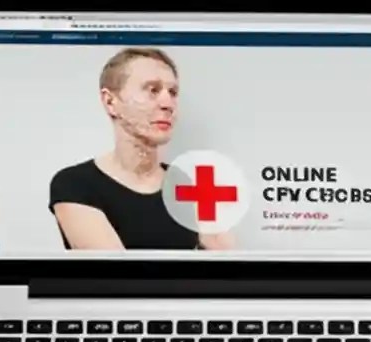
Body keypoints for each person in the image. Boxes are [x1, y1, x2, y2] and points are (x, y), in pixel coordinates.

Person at [48, 47, 234, 251]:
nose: (168, 104)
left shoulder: (187, 183)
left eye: (173, 93)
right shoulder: (76, 184)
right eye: (152, 90)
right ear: (111, 102)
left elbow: (229, 268)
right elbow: (118, 278)